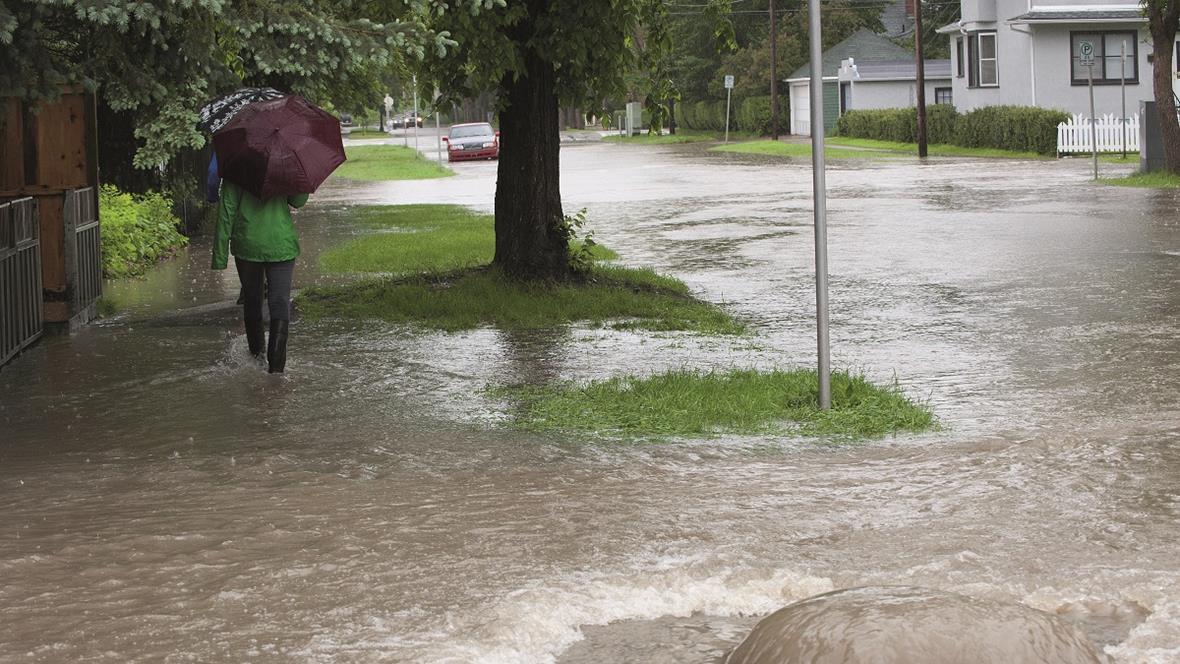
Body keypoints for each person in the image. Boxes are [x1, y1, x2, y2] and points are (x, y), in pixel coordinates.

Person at [211, 180, 308, 374]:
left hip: (247, 244)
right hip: (281, 243)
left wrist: (220, 256)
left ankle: (257, 359)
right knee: (280, 303)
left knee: (252, 300)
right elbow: (298, 201)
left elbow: (226, 213)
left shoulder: (236, 171)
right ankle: (276, 372)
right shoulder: (284, 168)